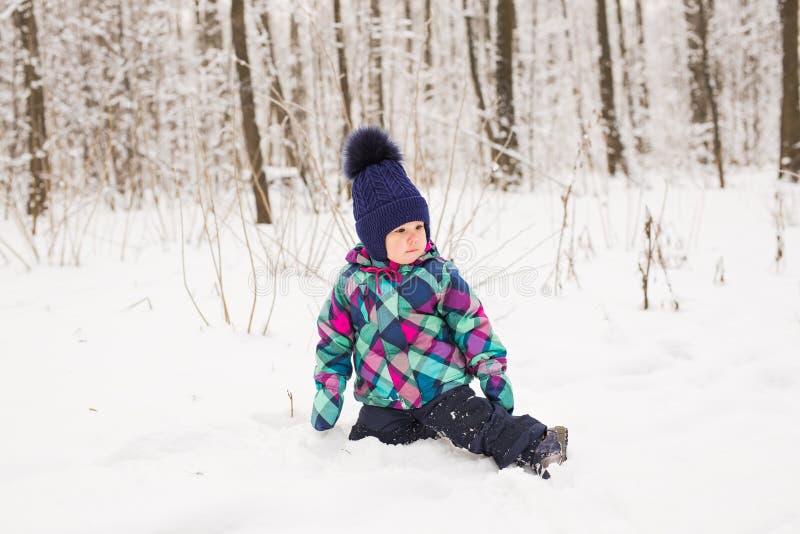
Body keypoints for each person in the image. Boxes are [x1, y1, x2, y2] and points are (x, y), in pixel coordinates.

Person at [310, 126, 567, 476]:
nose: (413, 237)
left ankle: (540, 443)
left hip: (441, 390)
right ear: (373, 238)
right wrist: (329, 392)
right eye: (399, 231)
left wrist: (492, 375)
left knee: (479, 426)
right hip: (382, 398)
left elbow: (473, 325)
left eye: (418, 227)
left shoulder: (438, 275)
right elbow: (334, 342)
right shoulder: (350, 285)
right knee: (363, 452)